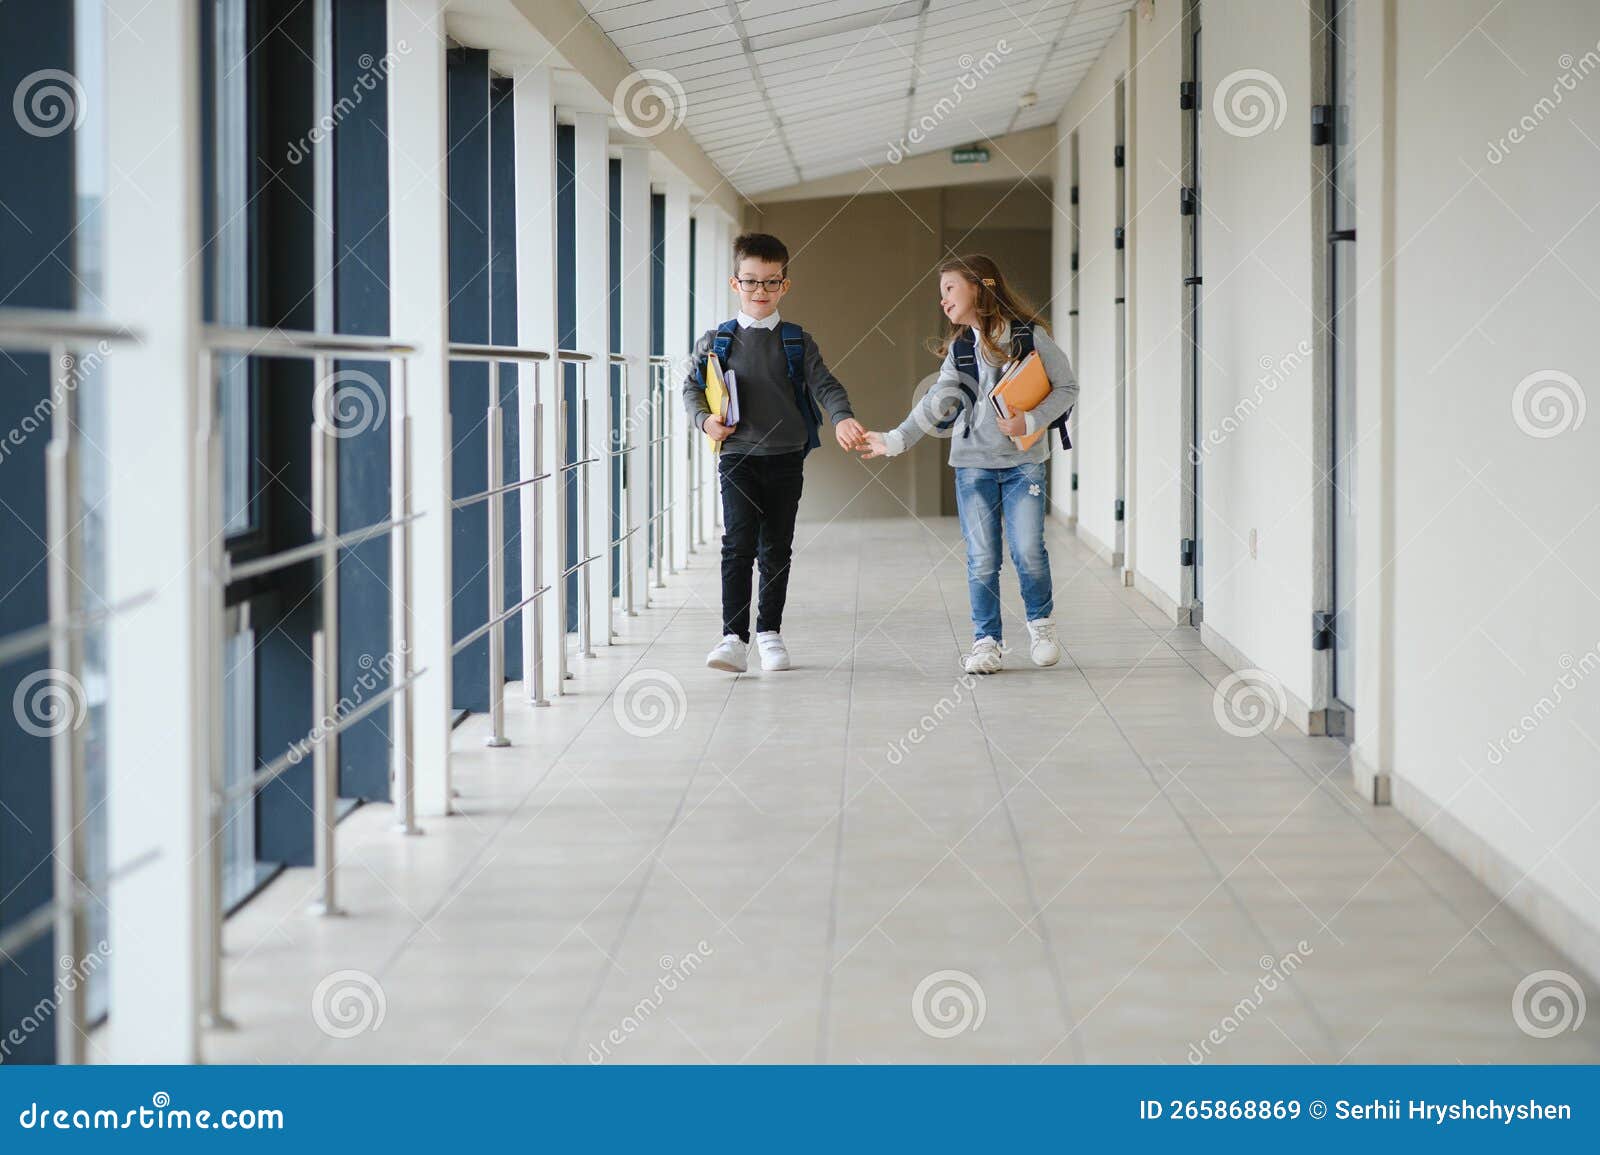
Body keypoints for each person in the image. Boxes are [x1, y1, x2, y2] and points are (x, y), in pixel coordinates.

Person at [860, 254, 1077, 674]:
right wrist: (895, 440)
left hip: (1023, 463)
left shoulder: (1030, 338)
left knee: (1028, 550)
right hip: (973, 466)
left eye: (949, 288)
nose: (942, 300)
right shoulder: (961, 349)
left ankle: (1041, 626)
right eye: (941, 292)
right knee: (982, 557)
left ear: (977, 287)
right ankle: (987, 642)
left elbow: (1067, 387)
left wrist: (1030, 420)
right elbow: (936, 401)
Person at [684, 232, 865, 673]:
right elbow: (692, 388)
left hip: (786, 457)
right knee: (737, 543)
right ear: (735, 284)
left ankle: (769, 633)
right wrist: (705, 421)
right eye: (751, 281)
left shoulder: (796, 342)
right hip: (737, 457)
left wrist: (842, 416)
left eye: (770, 282)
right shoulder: (716, 342)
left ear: (785, 285)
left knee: (776, 548)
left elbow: (826, 385)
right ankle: (732, 638)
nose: (760, 291)